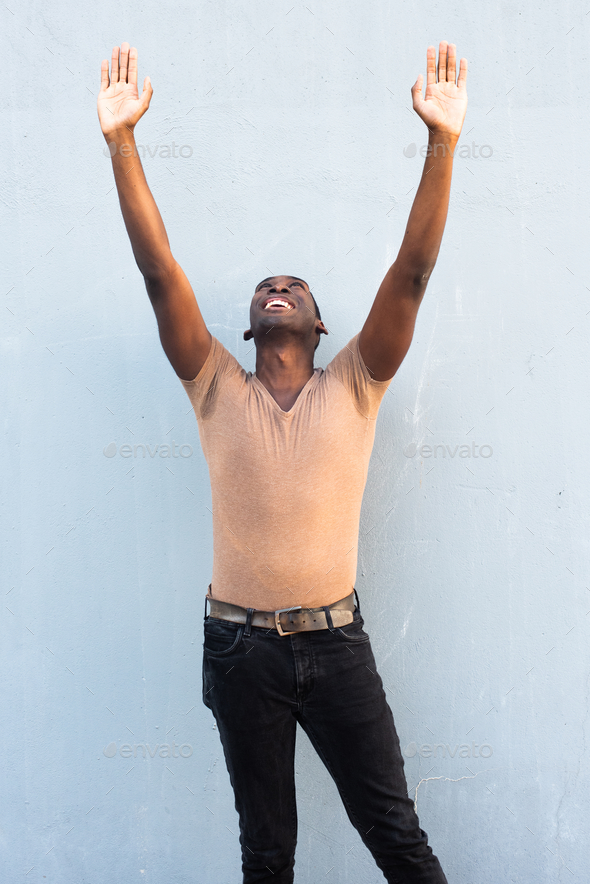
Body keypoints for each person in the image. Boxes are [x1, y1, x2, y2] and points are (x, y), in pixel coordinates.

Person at [97, 39, 468, 884]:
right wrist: (122, 142)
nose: (280, 287)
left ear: (321, 325)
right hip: (239, 652)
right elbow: (159, 272)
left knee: (398, 840)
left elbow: (412, 272)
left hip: (338, 646)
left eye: (297, 286)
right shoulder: (214, 386)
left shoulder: (358, 383)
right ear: (248, 329)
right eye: (267, 286)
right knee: (268, 854)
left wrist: (442, 140)